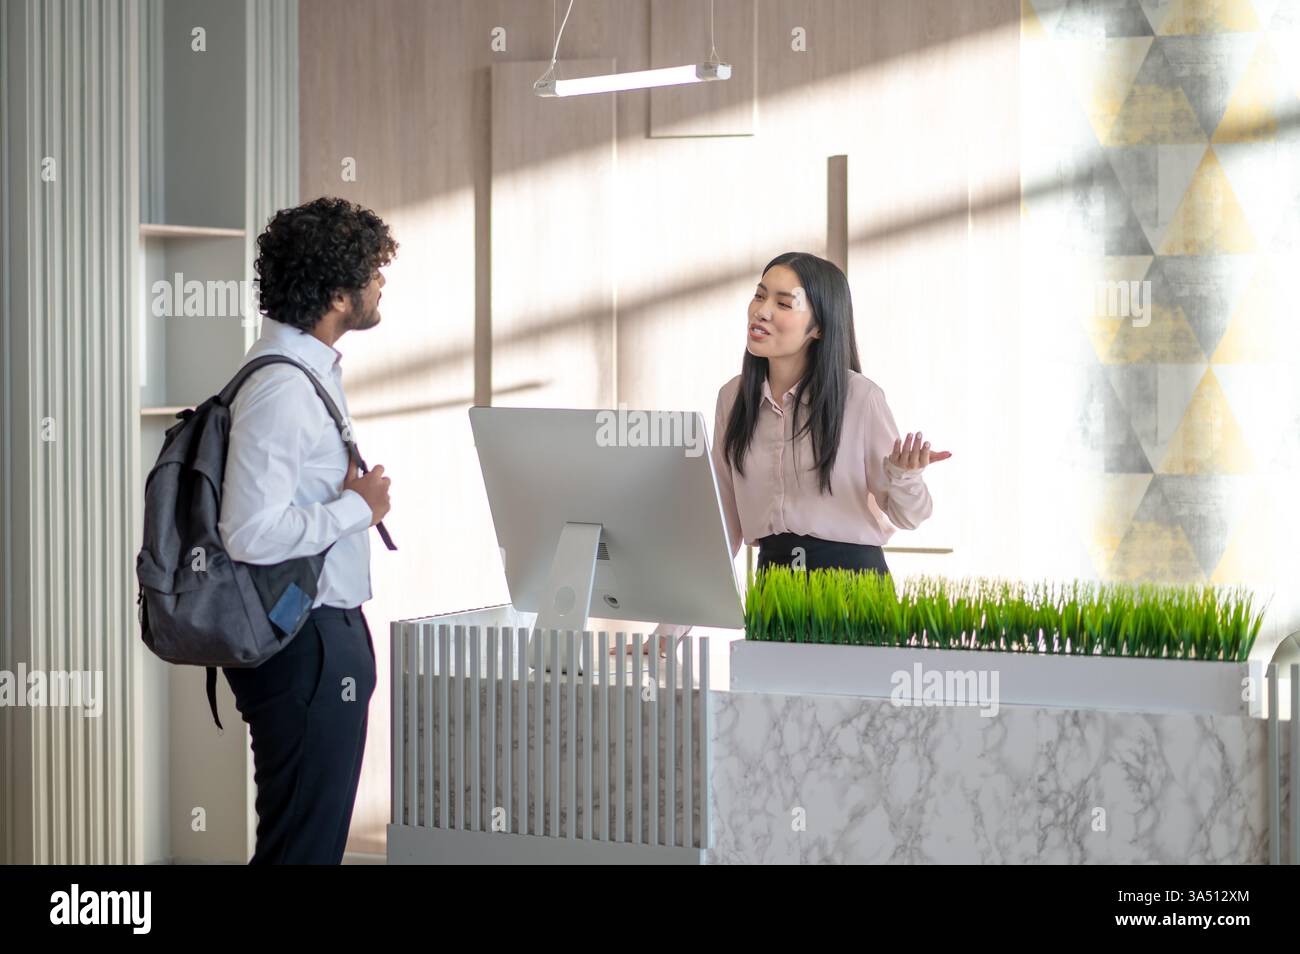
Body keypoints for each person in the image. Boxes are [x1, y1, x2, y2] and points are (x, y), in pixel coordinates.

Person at [630, 251, 951, 655]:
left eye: (783, 303)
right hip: (773, 590)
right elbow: (721, 528)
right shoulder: (732, 399)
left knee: (857, 717)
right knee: (767, 715)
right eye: (759, 296)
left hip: (853, 593)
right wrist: (665, 635)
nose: (761, 311)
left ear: (818, 326)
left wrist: (905, 476)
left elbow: (910, 516)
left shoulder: (860, 398)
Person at [217, 196, 397, 864]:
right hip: (304, 641)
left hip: (321, 632)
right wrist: (361, 508)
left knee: (308, 844)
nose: (382, 284)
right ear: (336, 296)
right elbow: (249, 531)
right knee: (302, 850)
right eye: (372, 273)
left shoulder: (300, 371)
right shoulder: (283, 389)